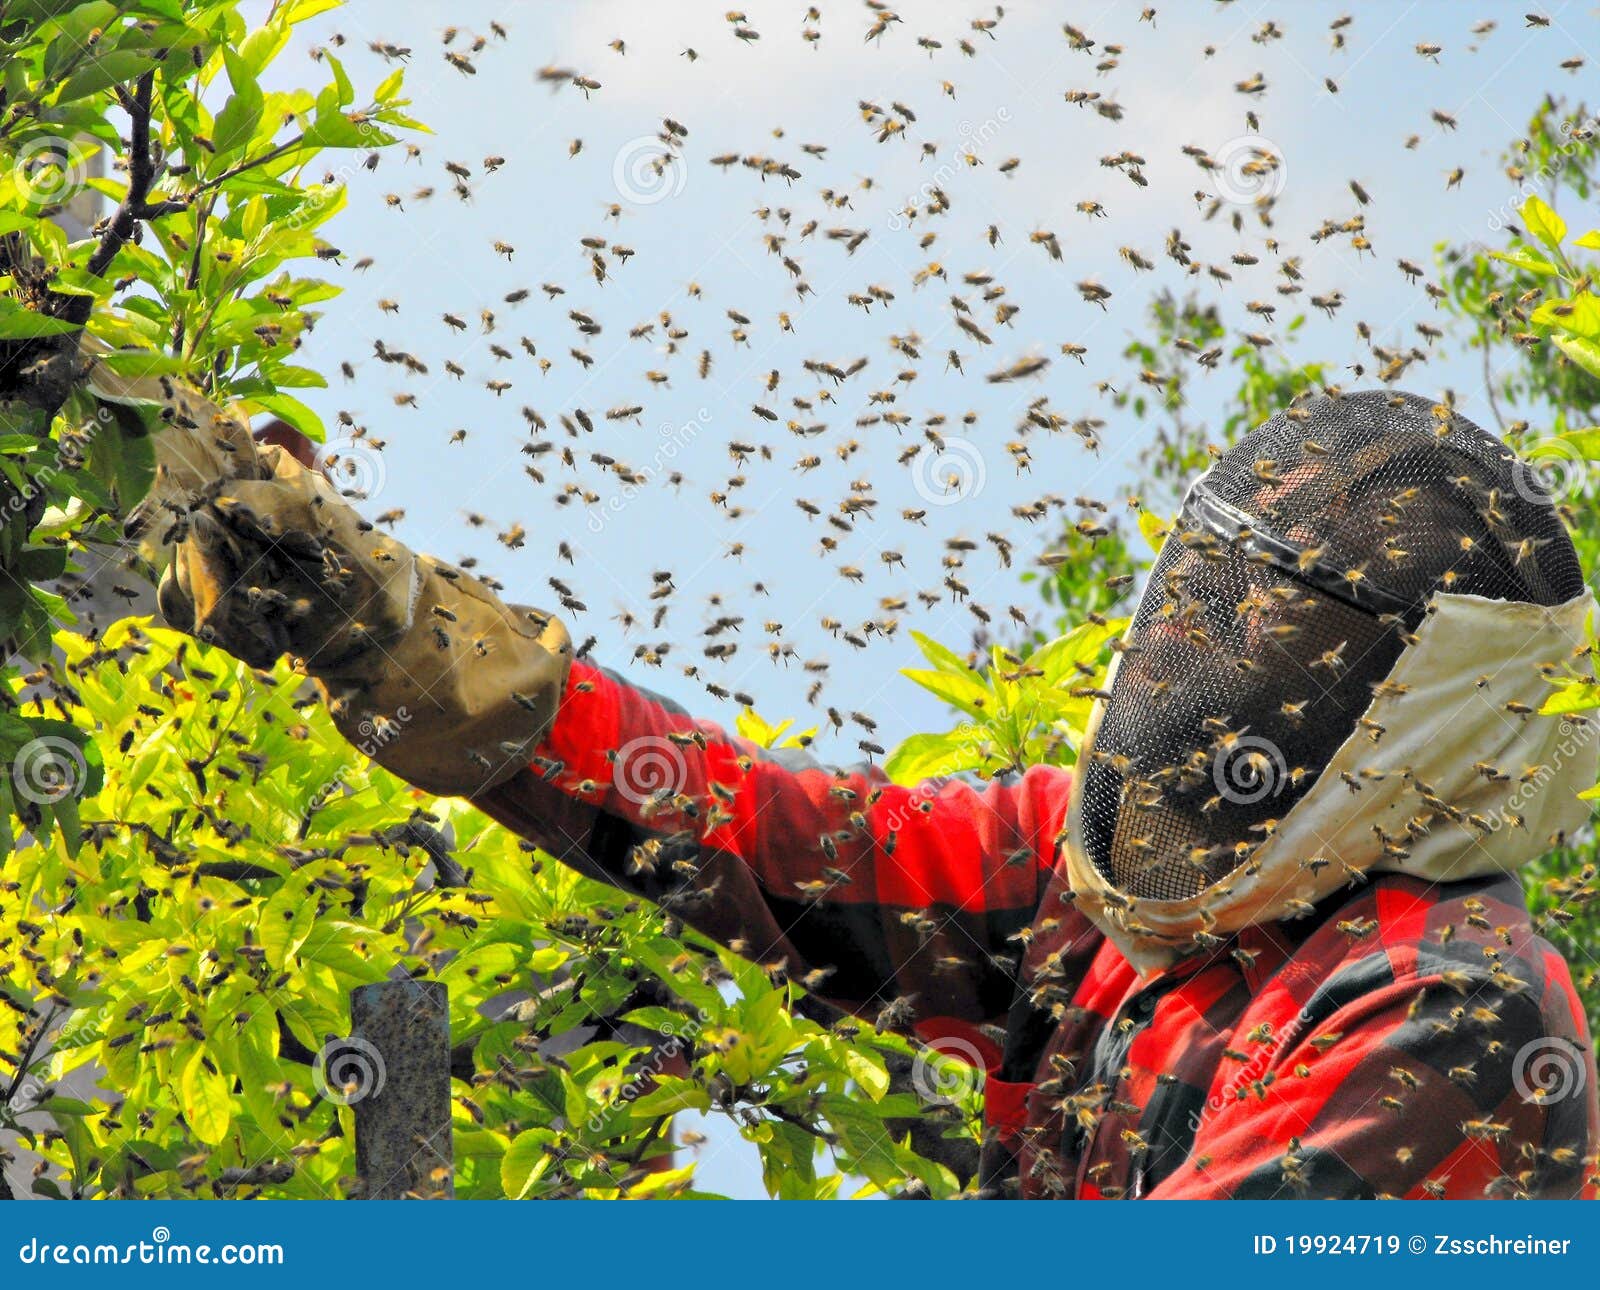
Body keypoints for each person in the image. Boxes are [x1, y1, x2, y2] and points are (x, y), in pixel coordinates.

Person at [140, 370, 1599, 1199]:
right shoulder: (1090, 884)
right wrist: (403, 641)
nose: (1210, 672)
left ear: (1427, 711)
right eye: (1216, 608)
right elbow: (780, 839)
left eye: (1276, 638)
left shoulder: (1446, 1009)